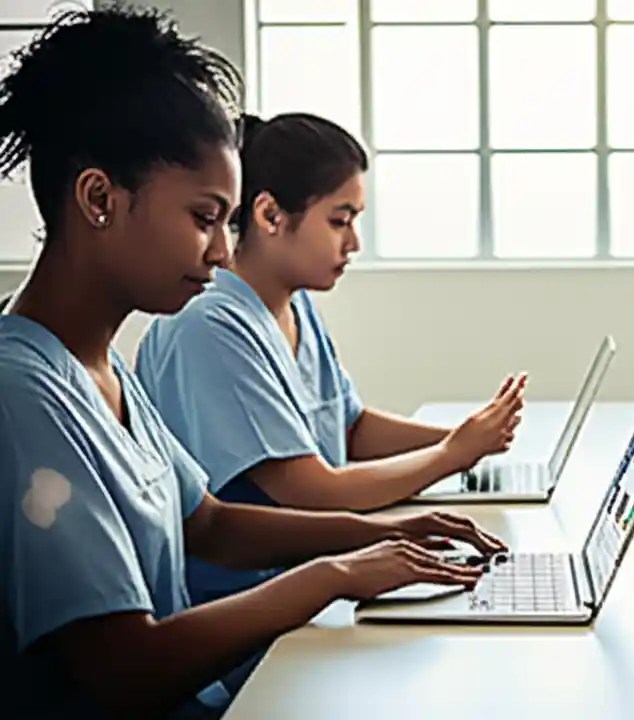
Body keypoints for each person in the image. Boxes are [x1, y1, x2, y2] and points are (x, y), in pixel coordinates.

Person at [0, 9, 502, 716]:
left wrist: (386, 533)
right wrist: (331, 576)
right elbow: (119, 667)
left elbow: (208, 522)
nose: (221, 252)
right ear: (98, 199)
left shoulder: (99, 366)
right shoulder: (24, 395)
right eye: (204, 218)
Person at [136, 111, 525, 603]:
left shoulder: (293, 305)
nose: (354, 242)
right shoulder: (207, 327)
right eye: (339, 221)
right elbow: (311, 489)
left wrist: (469, 438)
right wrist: (452, 455)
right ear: (270, 215)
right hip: (246, 605)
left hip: (312, 580)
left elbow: (349, 428)